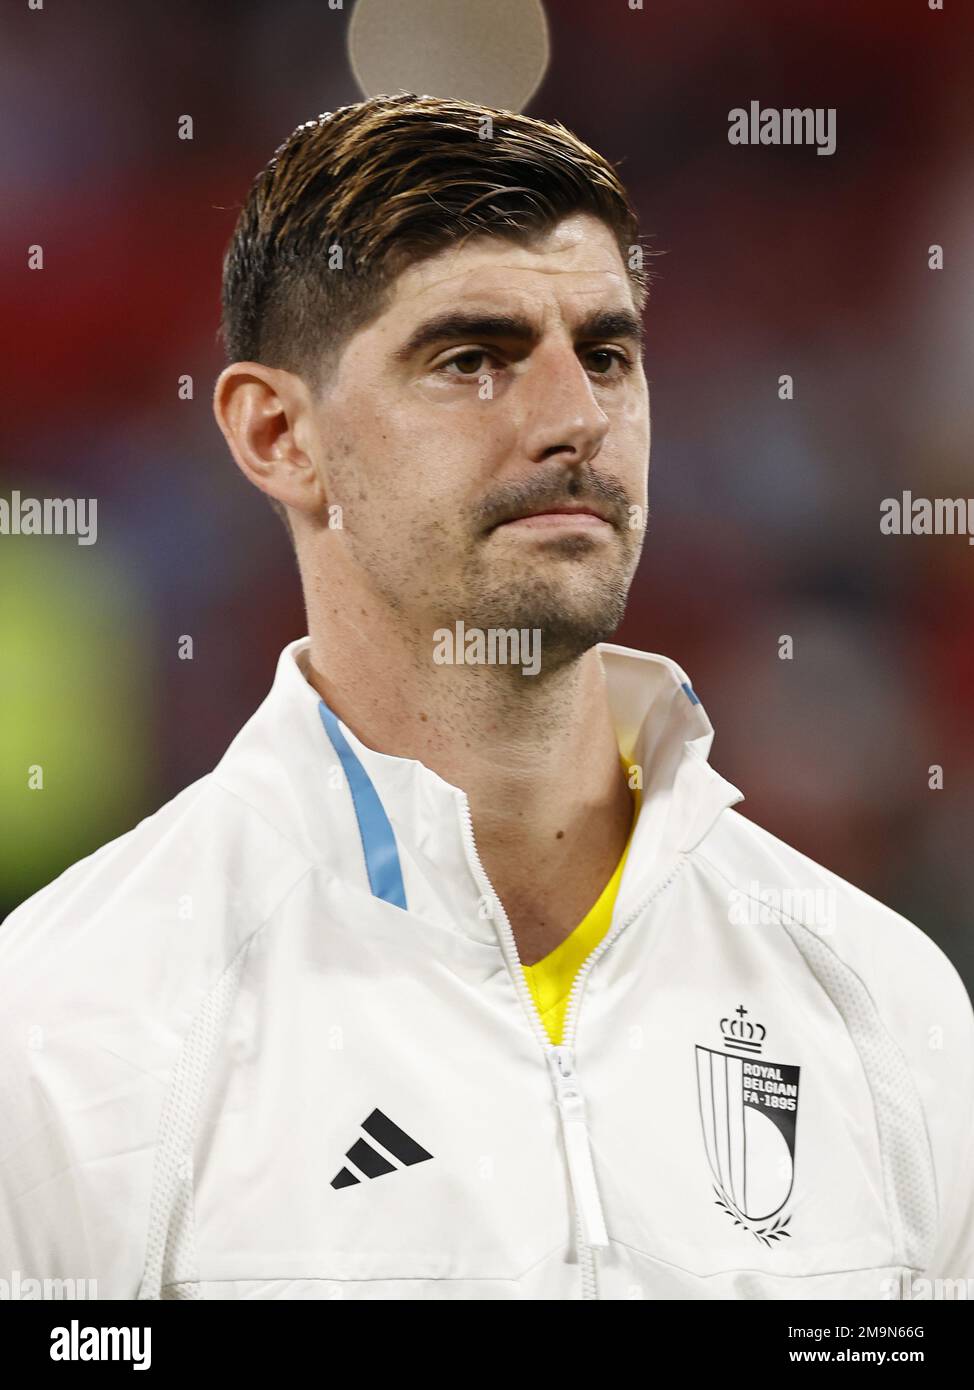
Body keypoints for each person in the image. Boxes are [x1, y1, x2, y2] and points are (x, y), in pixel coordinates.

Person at [1, 94, 971, 1302]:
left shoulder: (880, 997)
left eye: (606, 354)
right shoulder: (63, 1030)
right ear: (277, 434)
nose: (575, 419)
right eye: (471, 358)